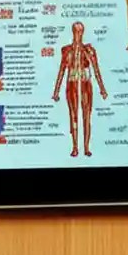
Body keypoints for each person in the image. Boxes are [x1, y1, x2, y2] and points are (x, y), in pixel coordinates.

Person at [52, 22, 109, 157]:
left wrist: (102, 89)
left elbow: (96, 70)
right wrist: (56, 91)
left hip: (85, 83)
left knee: (86, 115)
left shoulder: (89, 51)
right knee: (73, 115)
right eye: (76, 31)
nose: (78, 34)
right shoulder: (66, 51)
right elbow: (61, 71)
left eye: (80, 31)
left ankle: (86, 147)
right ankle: (75, 147)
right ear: (73, 32)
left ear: (83, 32)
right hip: (72, 83)